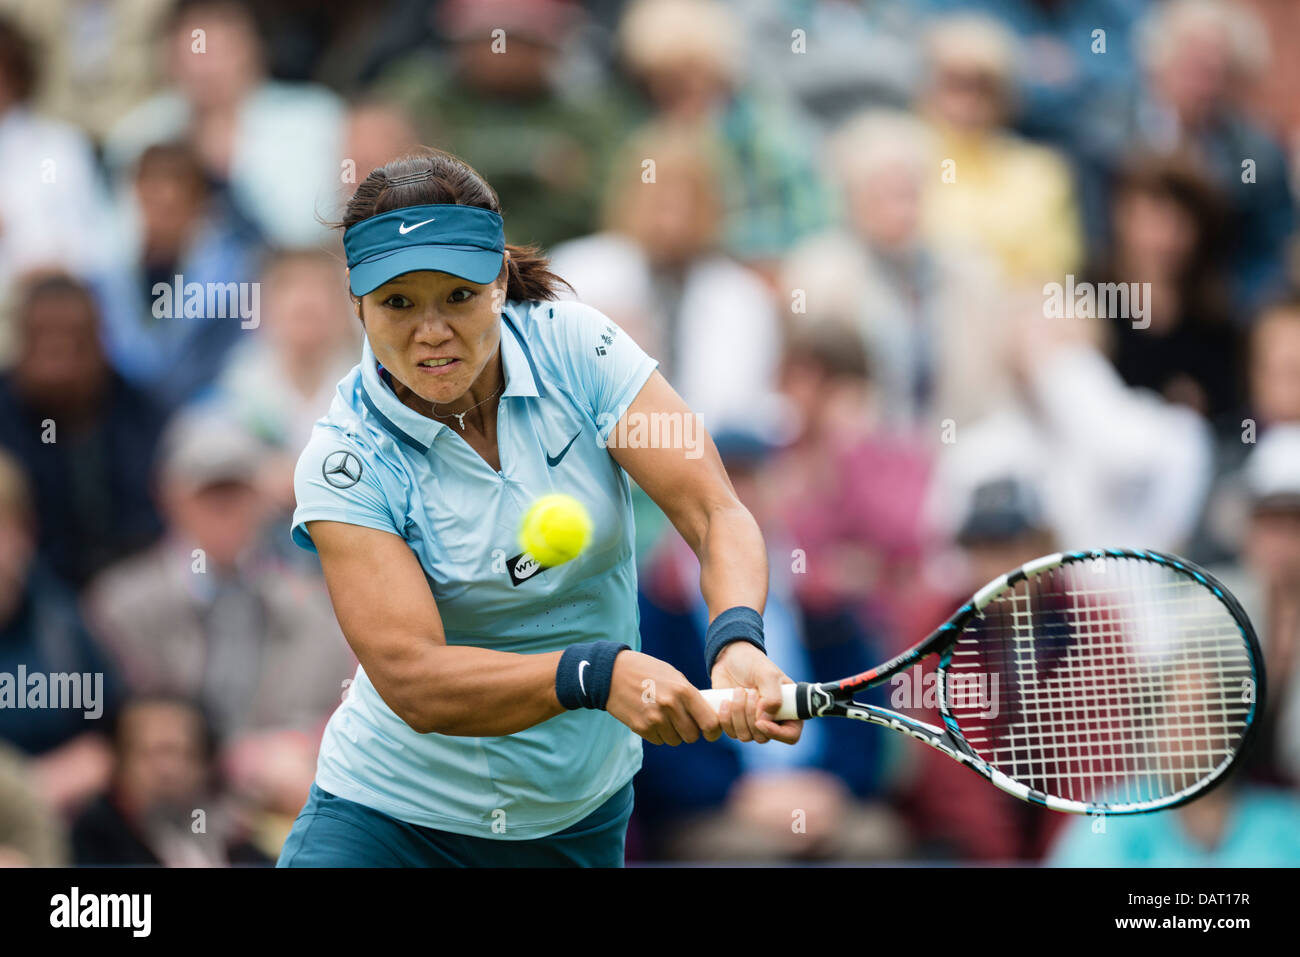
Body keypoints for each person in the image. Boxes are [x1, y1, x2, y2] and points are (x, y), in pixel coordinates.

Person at [277, 147, 800, 868]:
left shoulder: (581, 349)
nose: (431, 331)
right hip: (389, 823)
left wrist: (737, 637)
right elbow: (416, 679)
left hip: (574, 820)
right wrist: (597, 673)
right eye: (398, 302)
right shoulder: (344, 460)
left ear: (498, 284)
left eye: (458, 295)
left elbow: (715, 513)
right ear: (358, 303)